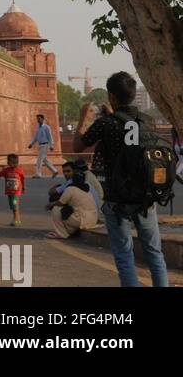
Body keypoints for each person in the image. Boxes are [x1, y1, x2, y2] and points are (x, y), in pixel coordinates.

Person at [74, 71, 169, 287]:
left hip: (118, 199)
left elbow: (78, 146)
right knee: (154, 254)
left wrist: (83, 119)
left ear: (112, 97)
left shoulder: (106, 124)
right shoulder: (148, 121)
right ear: (133, 95)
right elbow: (131, 135)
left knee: (125, 256)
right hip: (145, 198)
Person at [47, 172, 98, 239]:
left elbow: (61, 203)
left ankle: (61, 234)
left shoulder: (70, 189)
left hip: (82, 219)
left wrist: (51, 204)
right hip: (93, 219)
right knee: (67, 211)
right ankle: (67, 232)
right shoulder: (87, 189)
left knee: (56, 209)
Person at [0, 153, 25, 226]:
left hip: (16, 191)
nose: (15, 164)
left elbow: (22, 180)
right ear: (8, 163)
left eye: (16, 162)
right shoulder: (6, 170)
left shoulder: (19, 170)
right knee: (13, 205)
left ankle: (16, 220)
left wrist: (24, 188)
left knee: (14, 204)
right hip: (9, 191)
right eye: (13, 162)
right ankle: (17, 219)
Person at [29, 113, 59, 178]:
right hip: (40, 145)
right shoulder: (38, 128)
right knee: (44, 160)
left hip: (45, 145)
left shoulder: (46, 127)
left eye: (39, 119)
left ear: (42, 119)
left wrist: (51, 145)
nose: (38, 120)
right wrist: (31, 144)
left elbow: (50, 136)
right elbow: (36, 137)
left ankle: (38, 174)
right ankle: (54, 171)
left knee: (39, 159)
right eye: (37, 119)